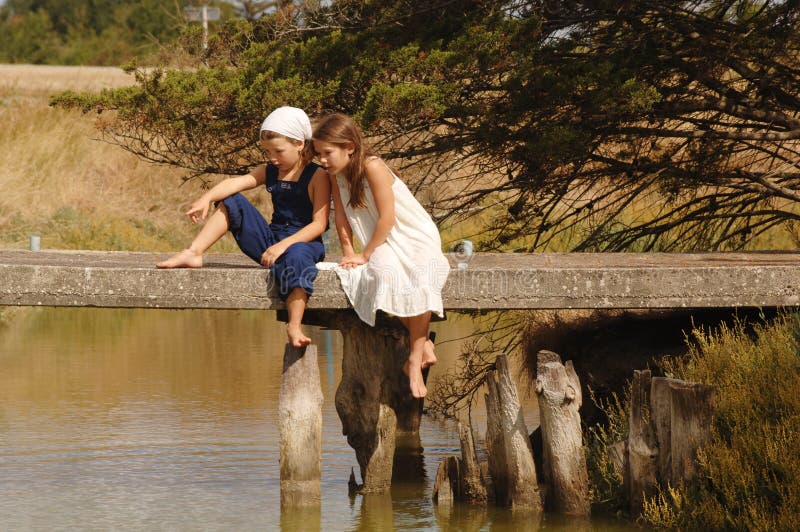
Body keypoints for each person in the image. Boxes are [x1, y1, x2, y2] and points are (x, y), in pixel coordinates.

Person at [157, 106, 330, 348]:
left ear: (300, 144)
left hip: (303, 243)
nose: (272, 158)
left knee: (297, 258)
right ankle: (193, 252)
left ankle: (294, 325)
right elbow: (236, 183)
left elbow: (319, 224)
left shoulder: (317, 176)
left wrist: (283, 246)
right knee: (233, 200)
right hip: (271, 242)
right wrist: (206, 198)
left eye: (278, 151)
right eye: (267, 151)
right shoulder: (270, 171)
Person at [312, 113, 450, 398]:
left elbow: (387, 218)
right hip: (380, 242)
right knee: (384, 273)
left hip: (410, 234)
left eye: (327, 153)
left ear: (350, 147)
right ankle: (422, 343)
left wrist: (365, 253)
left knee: (421, 274)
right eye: (318, 154)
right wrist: (349, 253)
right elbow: (342, 218)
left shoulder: (372, 167)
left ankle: (414, 360)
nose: (322, 160)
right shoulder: (334, 175)